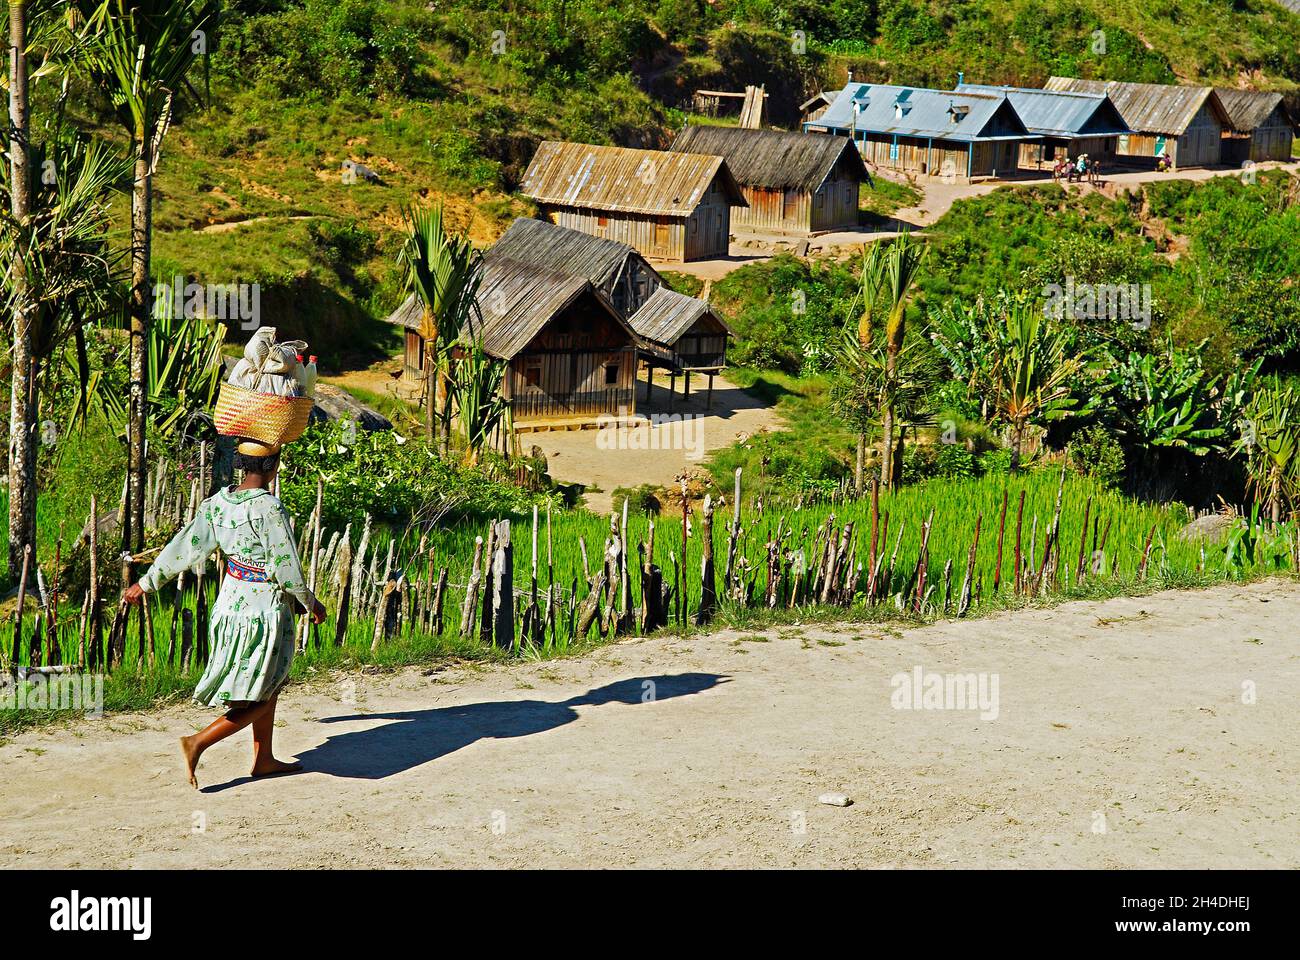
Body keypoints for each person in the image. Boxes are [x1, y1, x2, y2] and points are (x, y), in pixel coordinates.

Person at [123, 440, 327, 788]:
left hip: (231, 603)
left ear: (240, 465)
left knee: (263, 685)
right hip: (264, 608)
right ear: (272, 465)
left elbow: (184, 546)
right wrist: (309, 601)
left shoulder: (217, 504)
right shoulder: (269, 508)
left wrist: (146, 582)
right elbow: (285, 565)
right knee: (269, 685)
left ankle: (263, 759)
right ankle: (197, 742)